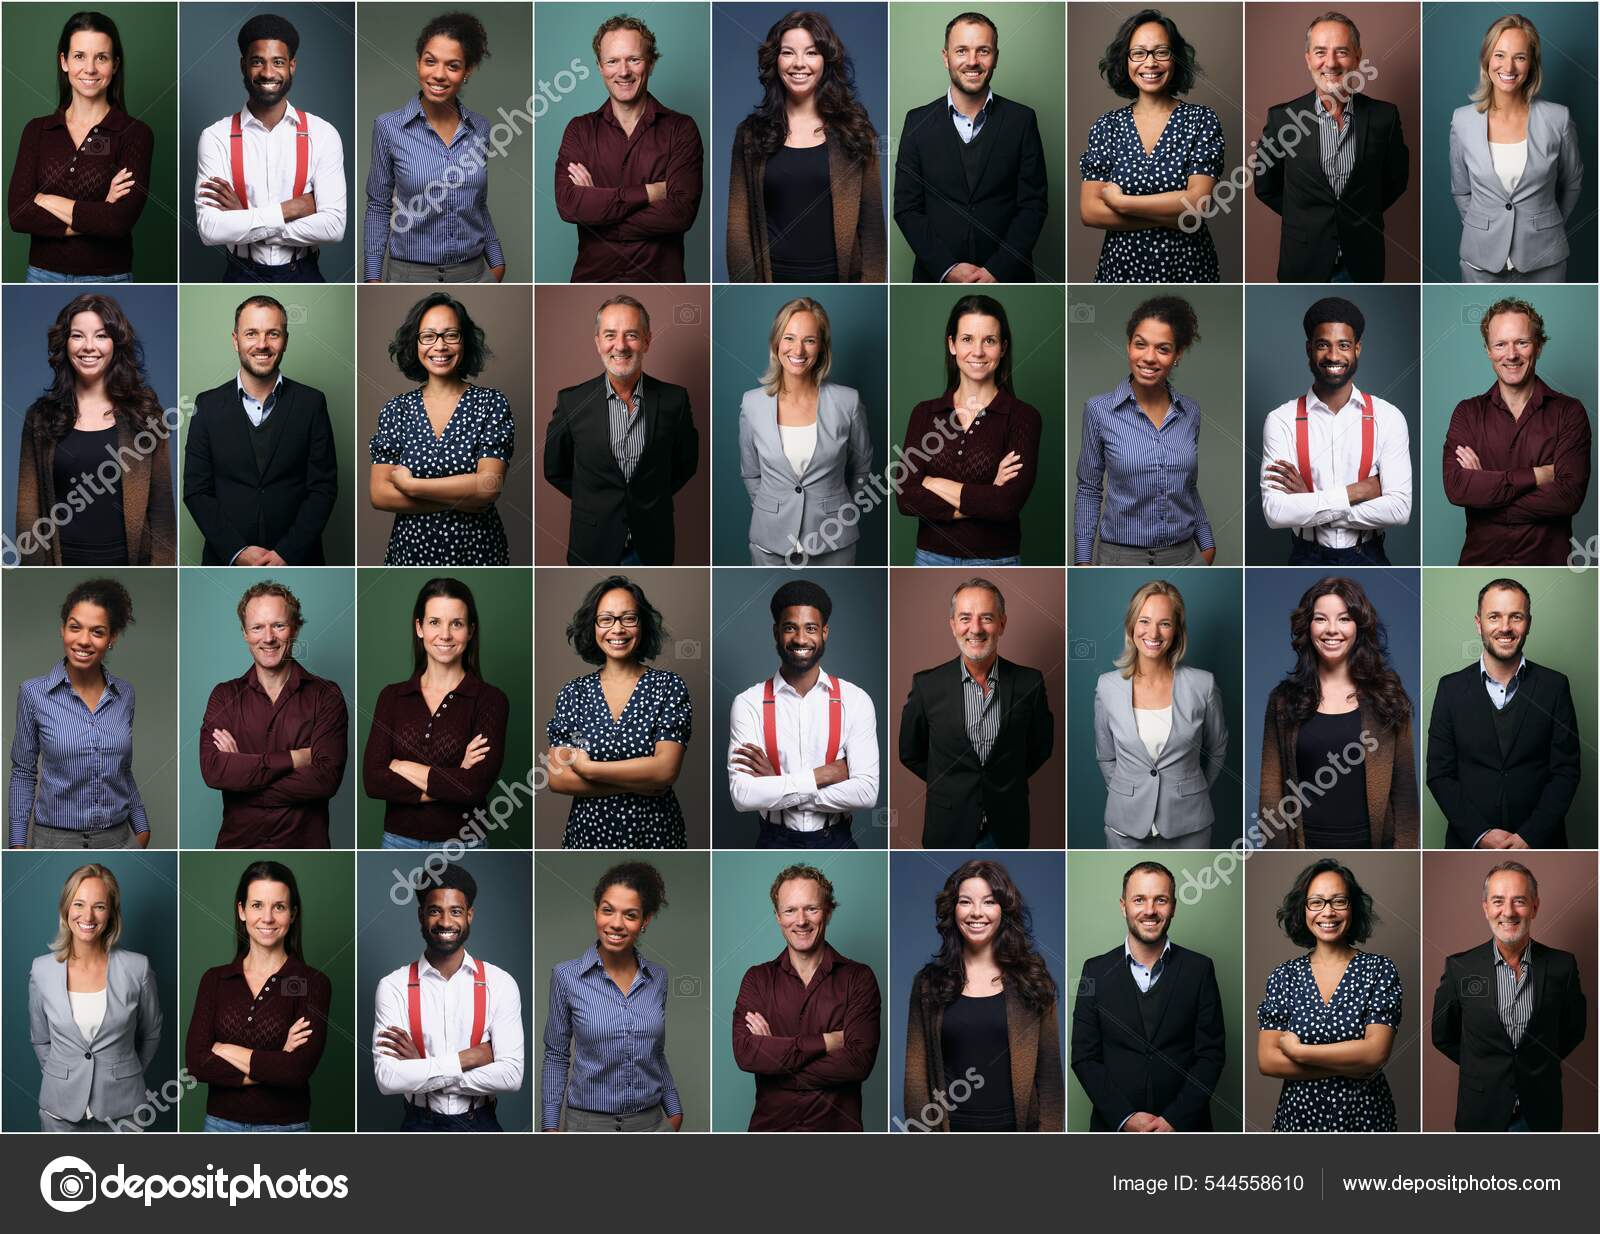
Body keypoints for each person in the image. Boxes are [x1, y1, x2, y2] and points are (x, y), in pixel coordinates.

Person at [14, 293, 175, 566]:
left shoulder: (146, 415)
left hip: (132, 564)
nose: (89, 347)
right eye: (77, 336)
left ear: (117, 343)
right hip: (60, 564)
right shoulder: (39, 417)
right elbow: (27, 512)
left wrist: (161, 569)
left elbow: (162, 510)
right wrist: (36, 572)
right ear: (64, 344)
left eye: (101, 336)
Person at [1257, 577, 1417, 849]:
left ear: (1360, 627)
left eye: (1344, 619)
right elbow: (1270, 794)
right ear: (1308, 627)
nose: (1332, 630)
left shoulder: (1387, 695)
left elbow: (1404, 791)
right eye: (1321, 619)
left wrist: (1403, 852)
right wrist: (1278, 854)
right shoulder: (1283, 700)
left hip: (1374, 848)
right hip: (1303, 846)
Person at [726, 9, 885, 282]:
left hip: (840, 280)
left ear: (826, 61)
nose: (799, 63)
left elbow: (872, 225)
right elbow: (738, 227)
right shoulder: (750, 134)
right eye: (788, 52)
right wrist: (749, 286)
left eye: (811, 53)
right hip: (771, 279)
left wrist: (867, 284)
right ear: (775, 60)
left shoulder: (856, 131)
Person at [904, 860, 1062, 1132]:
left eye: (989, 902)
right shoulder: (928, 983)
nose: (977, 913)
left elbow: (1049, 1076)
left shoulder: (1032, 980)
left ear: (1004, 910)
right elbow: (916, 1078)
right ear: (952, 910)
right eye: (966, 902)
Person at [542, 295, 698, 566]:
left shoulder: (675, 400)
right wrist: (596, 502)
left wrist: (646, 499)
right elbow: (554, 470)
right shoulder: (572, 402)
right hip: (592, 544)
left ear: (647, 340)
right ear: (598, 342)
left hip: (653, 545)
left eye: (632, 335)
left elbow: (685, 466)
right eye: (610, 335)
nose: (621, 346)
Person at [892, 10, 1047, 283]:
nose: (972, 61)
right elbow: (907, 208)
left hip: (1010, 279)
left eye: (983, 51)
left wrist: (998, 269)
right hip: (934, 279)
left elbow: (1033, 206)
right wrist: (947, 268)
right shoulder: (917, 122)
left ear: (996, 57)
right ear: (946, 57)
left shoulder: (1022, 120)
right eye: (962, 51)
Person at [182, 295, 339, 565]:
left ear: (285, 340)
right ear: (235, 340)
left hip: (300, 562)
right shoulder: (206, 405)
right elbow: (196, 491)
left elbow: (323, 488)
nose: (262, 344)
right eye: (251, 334)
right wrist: (236, 551)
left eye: (273, 334)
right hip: (225, 562)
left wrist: (287, 553)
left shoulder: (311, 403)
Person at [1253, 11, 1409, 282]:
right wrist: (1307, 219)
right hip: (1302, 262)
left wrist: (1357, 217)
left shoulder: (1385, 116)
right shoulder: (1282, 119)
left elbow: (1395, 182)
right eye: (1320, 52)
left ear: (1358, 58)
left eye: (1342, 52)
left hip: (1363, 263)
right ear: (1308, 59)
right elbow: (1265, 187)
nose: (1331, 63)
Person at [898, 578, 1054, 848]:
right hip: (947, 828)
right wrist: (950, 783)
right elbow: (910, 753)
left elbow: (1041, 748)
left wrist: (1002, 781)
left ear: (1002, 623)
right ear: (953, 625)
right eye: (965, 618)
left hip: (1008, 829)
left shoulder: (1030, 683)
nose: (976, 629)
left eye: (986, 618)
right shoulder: (927, 685)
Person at [1430, 861, 1586, 1131]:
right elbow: (1443, 1036)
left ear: (1535, 907)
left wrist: (1533, 1065)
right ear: (1486, 908)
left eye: (1520, 901)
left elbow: (1573, 1030)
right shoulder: (1460, 968)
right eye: (1498, 901)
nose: (1509, 912)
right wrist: (1484, 1069)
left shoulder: (1563, 966)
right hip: (1480, 1113)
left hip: (1539, 1115)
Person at [1425, 577, 1580, 849]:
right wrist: (1480, 834)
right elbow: (1439, 774)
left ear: (1528, 623)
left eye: (1516, 617)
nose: (1505, 628)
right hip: (1467, 846)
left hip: (1543, 845)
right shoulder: (1450, 689)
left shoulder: (1555, 687)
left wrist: (1530, 836)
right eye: (1494, 617)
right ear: (1478, 623)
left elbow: (1566, 771)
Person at [1071, 861, 1226, 1131]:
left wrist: (1174, 1120)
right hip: (1114, 1129)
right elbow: (1084, 1057)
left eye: (1161, 900)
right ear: (1123, 906)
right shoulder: (1092, 971)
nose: (1150, 911)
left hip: (1186, 1130)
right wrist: (1125, 1118)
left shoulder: (1200, 969)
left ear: (1173, 906)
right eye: (1139, 899)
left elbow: (1211, 1054)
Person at [1258, 297, 1412, 565]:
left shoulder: (1388, 417)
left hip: (1369, 555)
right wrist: (1358, 492)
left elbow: (1399, 510)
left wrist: (1310, 501)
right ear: (1309, 350)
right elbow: (1276, 513)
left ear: (1357, 349)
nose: (1333, 356)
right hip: (1306, 556)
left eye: (1343, 345)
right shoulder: (1281, 420)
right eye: (1322, 345)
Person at [193, 13, 347, 282]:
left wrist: (244, 218)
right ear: (243, 65)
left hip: (303, 273)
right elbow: (210, 230)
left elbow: (333, 227)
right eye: (257, 62)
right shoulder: (215, 137)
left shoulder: (322, 134)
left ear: (292, 66)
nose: (267, 73)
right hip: (240, 273)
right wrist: (292, 209)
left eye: (278, 62)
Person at [728, 580, 878, 849]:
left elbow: (866, 793)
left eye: (810, 628)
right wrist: (822, 776)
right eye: (790, 628)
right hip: (773, 840)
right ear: (776, 632)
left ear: (825, 632)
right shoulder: (748, 703)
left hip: (836, 840)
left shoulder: (855, 700)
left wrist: (777, 785)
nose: (800, 639)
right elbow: (743, 796)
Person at [373, 864, 525, 1131]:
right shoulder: (393, 986)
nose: (445, 922)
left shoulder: (500, 983)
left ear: (469, 915)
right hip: (419, 1124)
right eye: (435, 911)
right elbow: (388, 1079)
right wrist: (468, 1059)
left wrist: (420, 1068)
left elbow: (511, 1076)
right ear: (421, 915)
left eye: (455, 911)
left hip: (480, 1123)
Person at [1440, 297, 1591, 566]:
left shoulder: (1570, 412)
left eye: (1522, 342)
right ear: (1488, 350)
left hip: (1548, 567)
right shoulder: (1467, 413)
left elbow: (1569, 497)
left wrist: (1486, 495)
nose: (1511, 355)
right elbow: (1457, 489)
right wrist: (1538, 474)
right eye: (1500, 344)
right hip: (1478, 565)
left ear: (1539, 346)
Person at [198, 581, 349, 849]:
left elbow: (326, 780)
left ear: (295, 628)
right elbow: (214, 772)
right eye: (257, 627)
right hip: (236, 848)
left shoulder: (326, 695)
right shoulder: (224, 696)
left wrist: (243, 777)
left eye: (278, 625)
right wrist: (296, 757)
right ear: (245, 633)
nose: (268, 638)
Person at [184, 861, 333, 1132]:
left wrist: (224, 1049)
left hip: (286, 1128)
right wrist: (277, 1057)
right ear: (241, 911)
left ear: (293, 914)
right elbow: (197, 1063)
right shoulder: (215, 980)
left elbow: (296, 1071)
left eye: (279, 906)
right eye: (256, 905)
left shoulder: (312, 983)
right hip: (219, 1126)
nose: (267, 918)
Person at [553, 14, 704, 282]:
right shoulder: (579, 130)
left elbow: (681, 213)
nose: (623, 72)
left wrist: (598, 213)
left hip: (661, 285)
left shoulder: (681, 129)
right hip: (591, 282)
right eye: (612, 61)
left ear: (651, 62)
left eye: (634, 59)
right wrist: (650, 192)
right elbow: (569, 206)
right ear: (600, 67)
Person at [544, 576, 691, 849]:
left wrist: (588, 768)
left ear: (642, 624)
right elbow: (558, 778)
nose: (618, 629)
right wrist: (634, 784)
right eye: (606, 619)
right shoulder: (573, 693)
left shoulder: (668, 686)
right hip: (588, 836)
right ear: (593, 627)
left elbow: (665, 770)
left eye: (628, 618)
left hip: (654, 833)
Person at [732, 864, 882, 1131]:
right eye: (790, 910)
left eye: (811, 908)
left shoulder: (859, 978)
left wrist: (776, 1063)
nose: (801, 921)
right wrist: (828, 1041)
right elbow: (746, 1055)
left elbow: (858, 1063)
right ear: (778, 916)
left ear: (829, 911)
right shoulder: (757, 979)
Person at [368, 292, 514, 566]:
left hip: (477, 551)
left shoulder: (491, 403)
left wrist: (411, 485)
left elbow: (488, 486)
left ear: (465, 341)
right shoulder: (395, 409)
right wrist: (463, 499)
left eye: (451, 335)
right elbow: (379, 494)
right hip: (410, 553)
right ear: (415, 343)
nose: (440, 346)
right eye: (429, 336)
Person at [1256, 858, 1401, 1132]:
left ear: (1352, 907)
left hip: (1365, 1119)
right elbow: (1267, 1060)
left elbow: (1375, 1054)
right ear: (1304, 909)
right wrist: (1350, 1066)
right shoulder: (1284, 976)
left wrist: (1299, 1051)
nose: (1328, 912)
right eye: (1317, 902)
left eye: (1338, 901)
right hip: (1299, 1121)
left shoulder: (1379, 969)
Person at [363, 578, 509, 850]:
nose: (445, 634)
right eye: (434, 622)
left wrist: (402, 766)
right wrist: (455, 775)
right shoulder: (392, 697)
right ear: (419, 628)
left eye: (457, 623)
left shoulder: (491, 700)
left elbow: (474, 787)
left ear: (471, 630)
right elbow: (373, 781)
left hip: (465, 844)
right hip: (397, 842)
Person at [896, 295, 1042, 566]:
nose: (978, 351)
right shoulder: (924, 413)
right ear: (951, 344)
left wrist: (934, 483)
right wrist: (987, 493)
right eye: (967, 339)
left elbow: (1006, 505)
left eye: (990, 340)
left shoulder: (1023, 417)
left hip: (998, 560)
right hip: (930, 558)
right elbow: (905, 497)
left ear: (1003, 348)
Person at [6, 11, 152, 282]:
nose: (90, 68)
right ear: (64, 61)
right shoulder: (36, 131)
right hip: (41, 276)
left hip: (109, 277)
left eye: (102, 57)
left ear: (115, 64)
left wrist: (47, 200)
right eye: (79, 56)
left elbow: (117, 222)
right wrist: (99, 211)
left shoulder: (136, 134)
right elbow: (18, 215)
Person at [1078, 9, 1221, 283]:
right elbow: (1090, 211)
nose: (1150, 62)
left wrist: (1122, 202)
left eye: (1161, 52)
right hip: (1121, 268)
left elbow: (1198, 203)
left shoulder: (1202, 119)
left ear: (1175, 58)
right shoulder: (1107, 125)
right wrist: (1173, 217)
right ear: (1126, 60)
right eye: (1139, 53)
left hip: (1187, 266)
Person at [540, 861, 683, 1132]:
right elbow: (556, 1055)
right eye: (608, 911)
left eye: (630, 915)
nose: (616, 924)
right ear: (596, 913)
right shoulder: (565, 976)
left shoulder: (658, 977)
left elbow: (657, 1053)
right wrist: (549, 1127)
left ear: (645, 921)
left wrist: (674, 1113)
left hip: (650, 1124)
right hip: (588, 1125)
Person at [363, 12, 505, 283]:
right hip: (409, 274)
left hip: (473, 274)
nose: (438, 74)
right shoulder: (388, 127)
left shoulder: (481, 128)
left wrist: (497, 263)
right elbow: (379, 206)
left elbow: (479, 204)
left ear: (467, 71)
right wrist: (372, 278)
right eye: (430, 62)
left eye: (452, 66)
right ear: (418, 63)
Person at [1073, 295, 1216, 565]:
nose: (1149, 358)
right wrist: (1082, 561)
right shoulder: (1098, 410)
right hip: (1120, 557)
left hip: (1184, 556)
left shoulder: (1191, 412)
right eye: (1141, 345)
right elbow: (1089, 489)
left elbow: (1189, 487)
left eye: (1163, 349)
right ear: (1128, 346)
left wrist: (1207, 546)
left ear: (1177, 355)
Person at [9, 579, 150, 850]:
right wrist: (16, 845)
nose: (83, 640)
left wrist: (142, 830)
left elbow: (124, 770)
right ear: (63, 629)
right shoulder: (33, 693)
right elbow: (23, 772)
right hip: (54, 841)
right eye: (75, 628)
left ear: (112, 638)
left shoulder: (125, 694)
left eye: (97, 631)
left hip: (118, 839)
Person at [738, 297, 874, 566]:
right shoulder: (751, 403)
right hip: (769, 544)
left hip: (835, 542)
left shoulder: (848, 401)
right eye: (789, 338)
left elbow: (862, 467)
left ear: (822, 347)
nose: (798, 349)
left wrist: (840, 510)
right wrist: (774, 512)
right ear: (776, 343)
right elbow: (750, 472)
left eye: (809, 340)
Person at [1449, 15, 1583, 284]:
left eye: (1520, 57)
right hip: (1480, 261)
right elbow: (1461, 190)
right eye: (1500, 54)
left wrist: (1546, 225)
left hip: (1545, 259)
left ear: (1532, 63)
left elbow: (1573, 183)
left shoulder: (1558, 118)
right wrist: (1486, 230)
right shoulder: (1462, 120)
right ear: (1487, 59)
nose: (1508, 66)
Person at [1093, 581, 1227, 849]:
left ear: (1177, 630)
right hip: (1125, 828)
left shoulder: (1204, 684)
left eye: (1165, 623)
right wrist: (1130, 796)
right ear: (1131, 626)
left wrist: (1190, 793)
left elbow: (1218, 749)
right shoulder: (1107, 686)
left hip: (1190, 827)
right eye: (1144, 621)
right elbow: (1106, 756)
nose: (1153, 632)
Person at [28, 864, 162, 1132]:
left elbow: (151, 1034)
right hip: (58, 1115)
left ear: (111, 913)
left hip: (123, 1114)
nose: (88, 915)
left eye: (99, 906)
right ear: (66, 908)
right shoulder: (41, 970)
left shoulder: (138, 968)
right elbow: (40, 1039)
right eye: (79, 904)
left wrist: (124, 1075)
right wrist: (66, 1079)